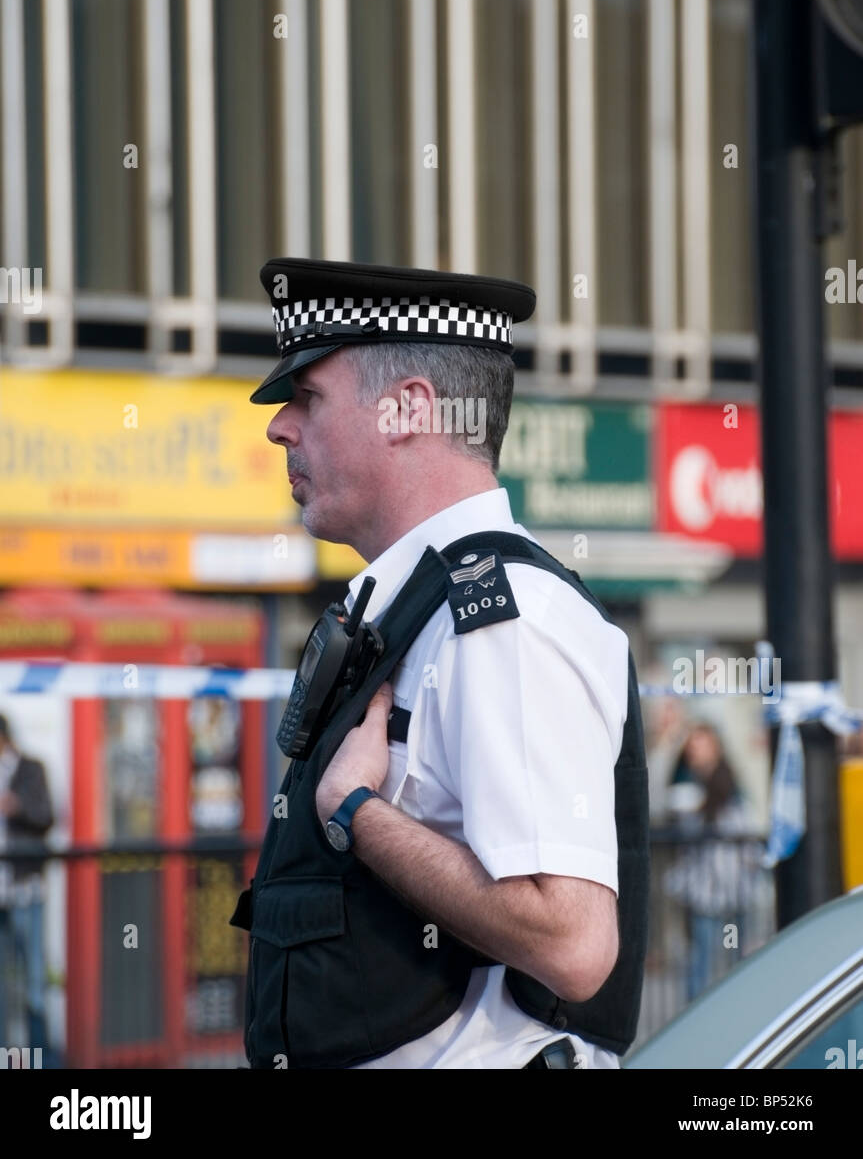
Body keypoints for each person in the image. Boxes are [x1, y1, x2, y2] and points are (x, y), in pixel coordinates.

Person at [232, 257, 649, 1069]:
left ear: (407, 408)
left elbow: (570, 942)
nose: (279, 427)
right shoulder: (411, 604)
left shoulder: (500, 616)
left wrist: (355, 811)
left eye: (306, 396)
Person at [662, 722, 761, 1002]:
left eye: (702, 745)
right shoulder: (683, 780)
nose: (697, 752)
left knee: (733, 956)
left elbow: (743, 824)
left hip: (733, 884)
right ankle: (698, 1016)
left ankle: (736, 1007)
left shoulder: (728, 784)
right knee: (701, 957)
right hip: (703, 888)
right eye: (693, 746)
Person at [0, 711, 54, 1056]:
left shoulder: (30, 769)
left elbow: (46, 817)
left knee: (33, 977)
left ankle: (41, 1058)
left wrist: (17, 806)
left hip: (25, 891)